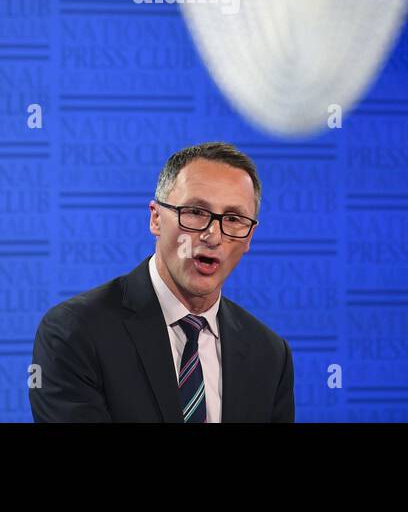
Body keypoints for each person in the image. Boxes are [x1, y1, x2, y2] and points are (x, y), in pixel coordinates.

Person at [29, 142, 294, 422]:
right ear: (156, 218)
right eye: (195, 212)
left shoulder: (270, 355)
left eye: (233, 218)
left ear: (249, 237)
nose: (213, 235)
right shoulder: (75, 332)